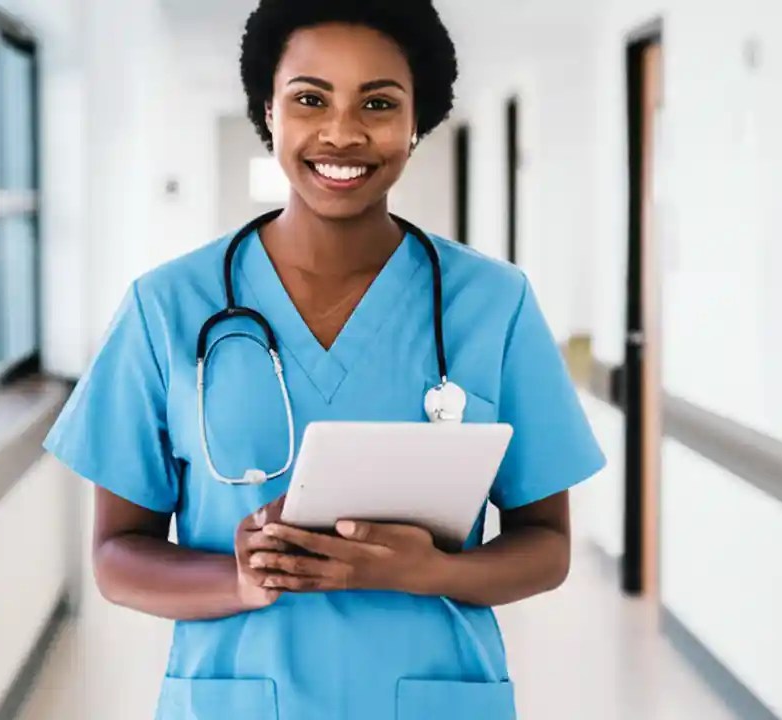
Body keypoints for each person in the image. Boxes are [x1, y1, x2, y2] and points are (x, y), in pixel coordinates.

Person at [44, 1, 604, 717]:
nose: (343, 132)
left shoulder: (493, 304)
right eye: (310, 98)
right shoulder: (167, 308)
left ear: (416, 122)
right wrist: (238, 580)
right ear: (268, 111)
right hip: (239, 700)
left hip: (431, 696)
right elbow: (117, 557)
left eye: (379, 102)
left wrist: (430, 571)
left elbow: (547, 547)